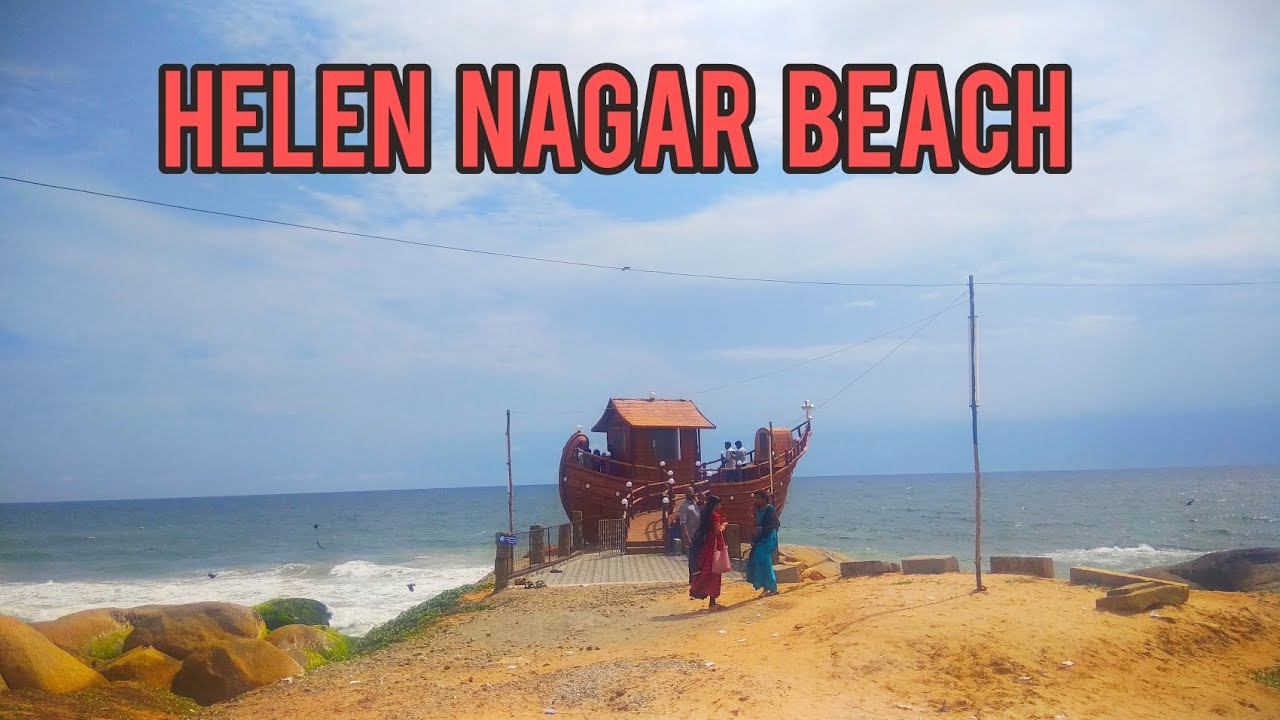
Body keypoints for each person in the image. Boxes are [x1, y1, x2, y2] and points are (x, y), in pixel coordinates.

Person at [689, 495, 728, 610]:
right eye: (719, 504)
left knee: (707, 571)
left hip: (707, 546)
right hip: (714, 547)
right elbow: (717, 531)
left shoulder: (705, 515)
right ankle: (712, 602)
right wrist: (724, 525)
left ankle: (710, 599)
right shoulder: (715, 516)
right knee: (715, 573)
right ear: (715, 505)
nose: (720, 506)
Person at [746, 490, 780, 597]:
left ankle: (772, 587)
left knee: (764, 561)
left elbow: (776, 524)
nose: (756, 501)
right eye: (755, 499)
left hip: (768, 537)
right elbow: (753, 520)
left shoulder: (769, 509)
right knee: (758, 560)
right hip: (760, 537)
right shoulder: (757, 509)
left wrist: (762, 529)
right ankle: (766, 586)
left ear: (764, 499)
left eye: (758, 498)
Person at [678, 490, 700, 555]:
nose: (691, 493)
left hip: (699, 534)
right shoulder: (684, 506)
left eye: (692, 491)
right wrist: (687, 538)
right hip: (691, 536)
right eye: (689, 491)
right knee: (693, 558)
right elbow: (683, 523)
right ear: (686, 494)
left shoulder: (695, 504)